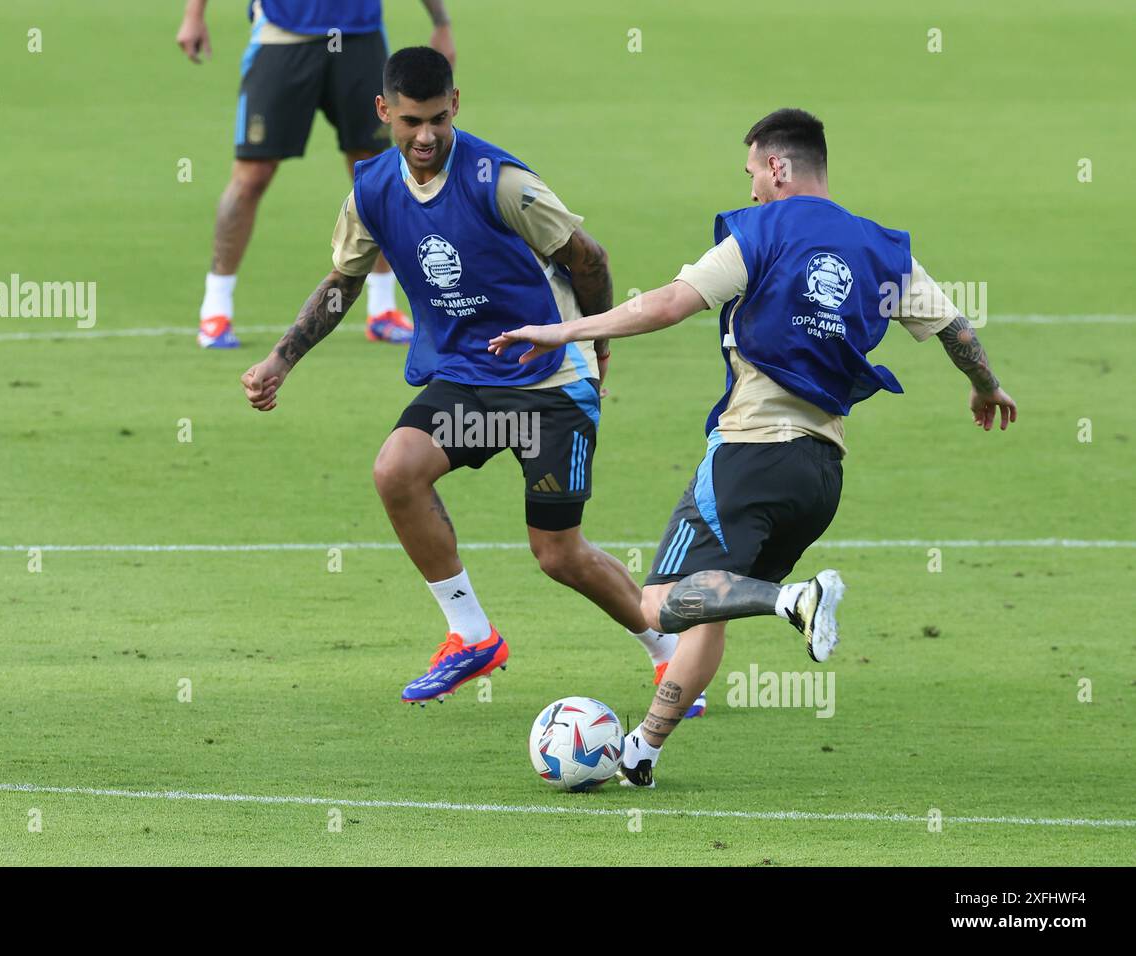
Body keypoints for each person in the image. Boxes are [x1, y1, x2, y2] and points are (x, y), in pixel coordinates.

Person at [490, 108, 1017, 787]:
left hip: (750, 454)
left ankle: (792, 601)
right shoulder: (883, 249)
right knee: (715, 601)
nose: (749, 192)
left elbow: (669, 303)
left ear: (777, 166)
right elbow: (955, 330)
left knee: (659, 602)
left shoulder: (760, 232)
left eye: (751, 175)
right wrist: (987, 387)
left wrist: (565, 332)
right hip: (821, 474)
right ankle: (644, 749)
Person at [241, 47, 705, 712]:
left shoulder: (502, 182)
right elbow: (344, 282)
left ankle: (668, 656)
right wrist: (280, 359)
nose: (425, 135)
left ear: (455, 104)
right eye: (409, 121)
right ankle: (471, 633)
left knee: (558, 555)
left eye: (436, 118)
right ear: (384, 113)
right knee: (396, 469)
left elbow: (589, 258)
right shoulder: (372, 191)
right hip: (467, 380)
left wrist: (596, 346)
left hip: (548, 381)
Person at [178, 0, 456, 348]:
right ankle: (216, 308)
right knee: (252, 176)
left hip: (360, 32)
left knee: (379, 171)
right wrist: (194, 15)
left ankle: (383, 308)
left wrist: (440, 22)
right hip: (284, 30)